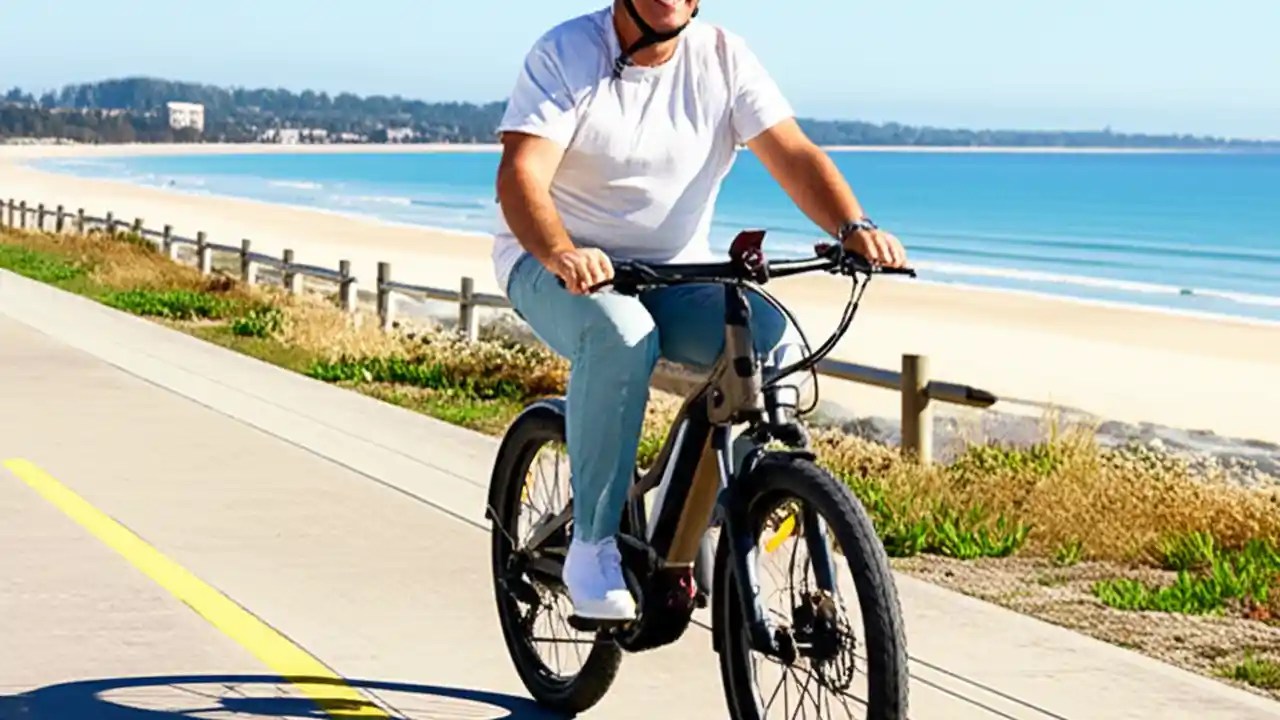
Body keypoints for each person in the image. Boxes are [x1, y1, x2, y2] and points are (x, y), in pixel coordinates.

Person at [492, 0, 907, 622]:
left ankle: (723, 510)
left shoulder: (722, 57)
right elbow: (521, 173)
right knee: (622, 333)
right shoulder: (566, 53)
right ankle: (592, 545)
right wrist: (562, 252)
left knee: (769, 339)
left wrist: (853, 225)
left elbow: (791, 153)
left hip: (675, 273)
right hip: (552, 265)